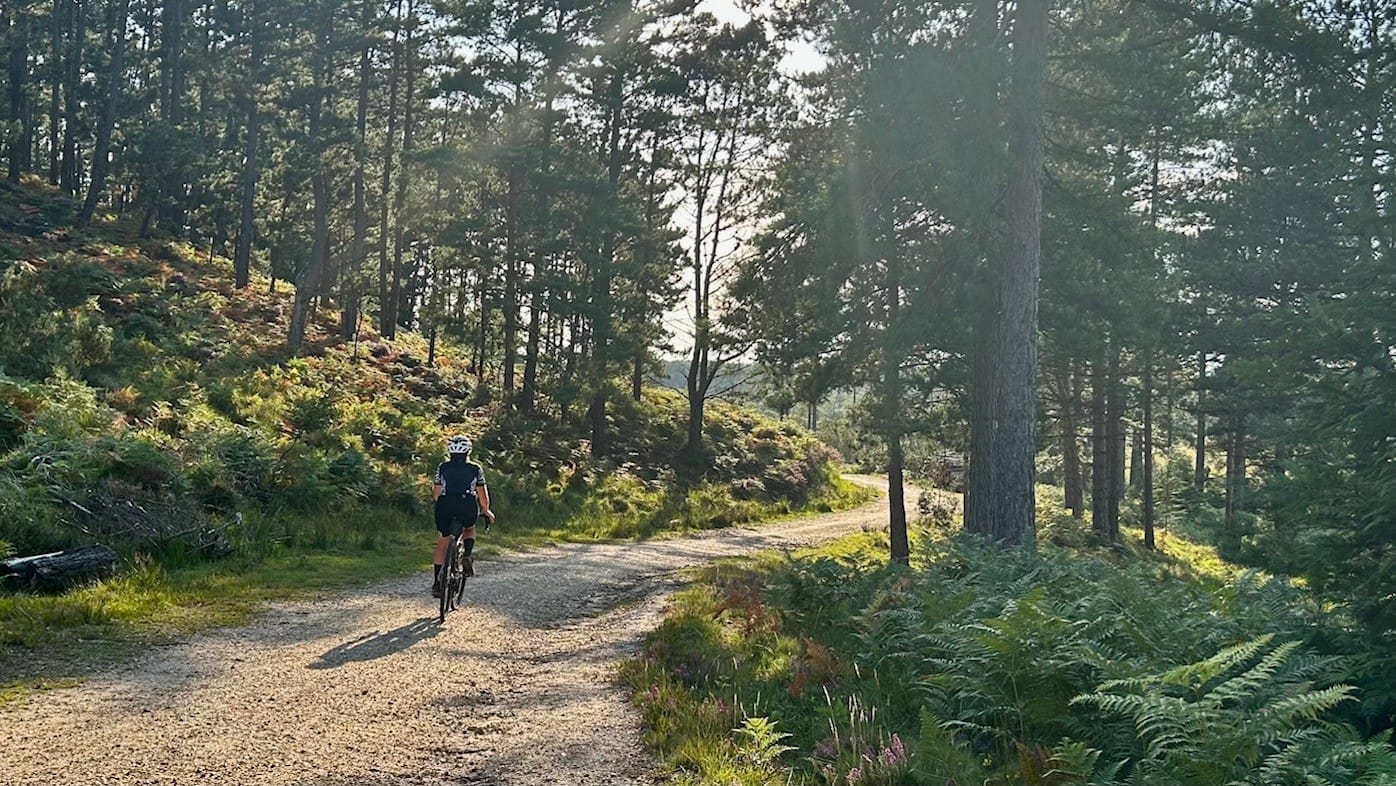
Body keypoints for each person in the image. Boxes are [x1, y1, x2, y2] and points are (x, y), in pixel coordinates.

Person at [431, 435, 495, 598]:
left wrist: (442, 504)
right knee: (469, 528)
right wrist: (486, 510)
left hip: (445, 505)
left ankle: (437, 583)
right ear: (468, 451)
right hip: (467, 505)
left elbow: (436, 493)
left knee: (443, 541)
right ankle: (467, 554)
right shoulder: (475, 469)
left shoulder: (443, 467)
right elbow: (482, 493)